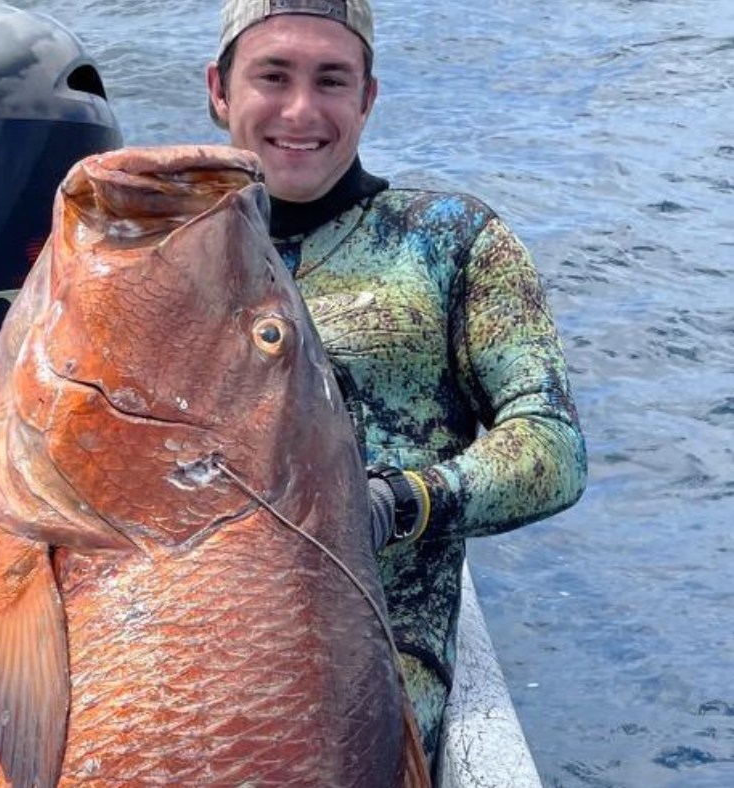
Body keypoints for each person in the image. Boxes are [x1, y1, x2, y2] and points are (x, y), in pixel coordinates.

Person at [206, 0, 587, 769]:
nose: (301, 110)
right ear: (219, 89)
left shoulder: (451, 242)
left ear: (368, 98)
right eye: (273, 76)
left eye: (331, 80)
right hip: (189, 651)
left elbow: (554, 447)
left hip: (372, 686)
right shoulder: (167, 260)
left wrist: (395, 503)